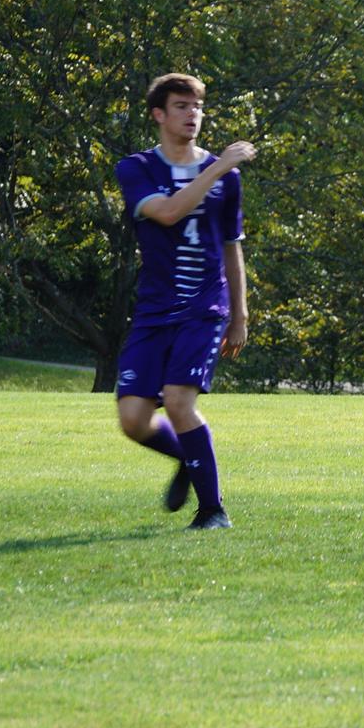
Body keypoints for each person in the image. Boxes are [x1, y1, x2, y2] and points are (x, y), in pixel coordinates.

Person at [113, 73, 257, 530]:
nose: (192, 115)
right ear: (159, 114)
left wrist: (240, 315)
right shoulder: (135, 169)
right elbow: (170, 213)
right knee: (133, 421)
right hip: (155, 309)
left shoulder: (225, 178)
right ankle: (189, 460)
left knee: (178, 401)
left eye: (197, 107)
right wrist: (218, 167)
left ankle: (213, 511)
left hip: (203, 307)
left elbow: (232, 247)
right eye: (181, 106)